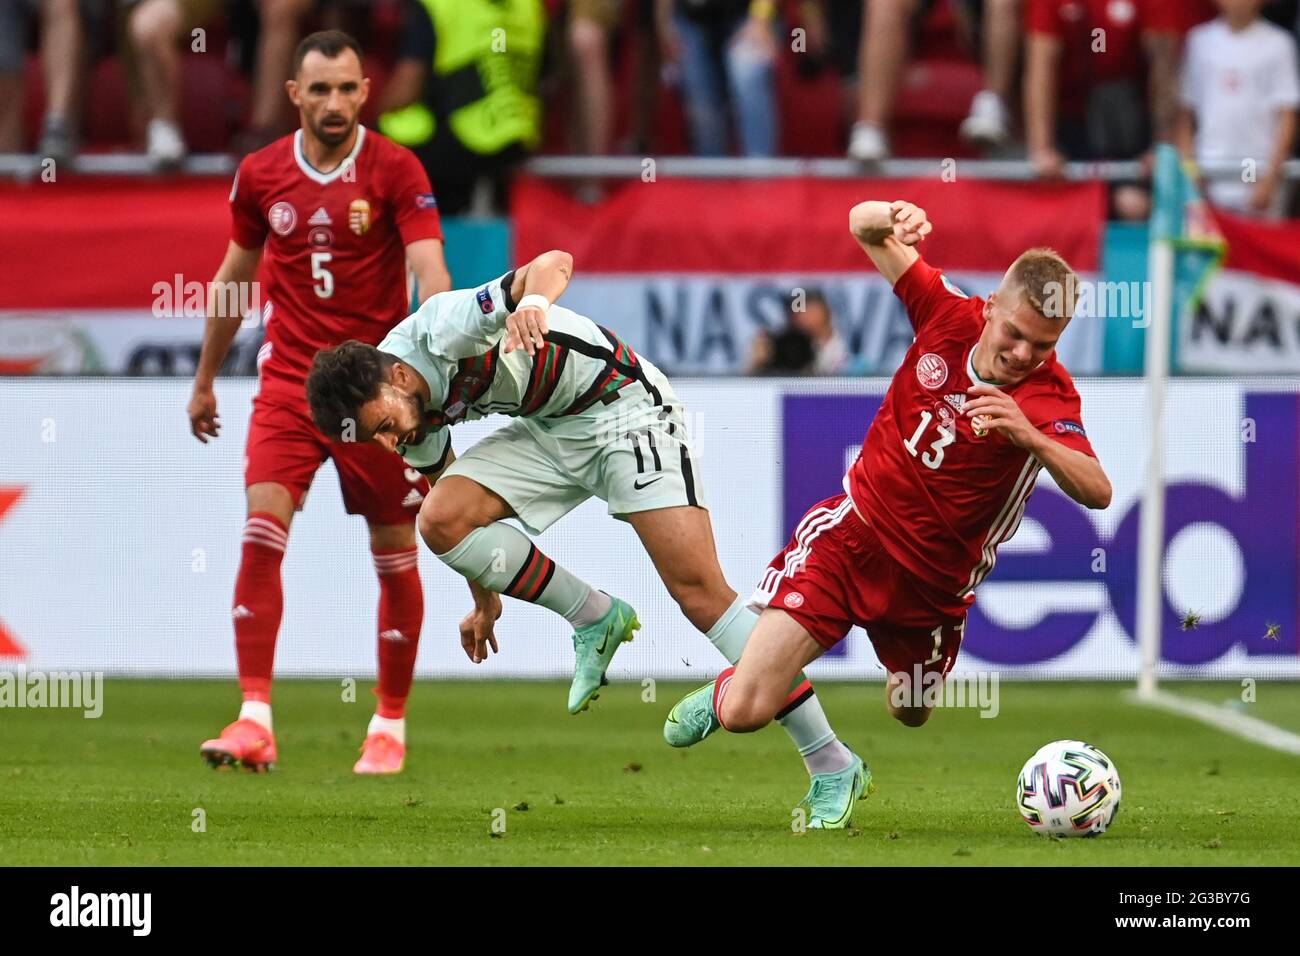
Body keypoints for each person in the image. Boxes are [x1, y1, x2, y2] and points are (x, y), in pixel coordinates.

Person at [305, 251, 865, 827]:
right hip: (548, 430)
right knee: (438, 519)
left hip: (624, 410)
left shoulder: (443, 326)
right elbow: (453, 501)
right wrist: (484, 597)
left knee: (700, 594)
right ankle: (594, 616)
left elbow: (554, 262)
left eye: (384, 426)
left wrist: (535, 302)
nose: (390, 443)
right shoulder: (413, 422)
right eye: (375, 437)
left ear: (398, 376)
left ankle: (831, 760)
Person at [663, 200, 1112, 822]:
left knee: (910, 711)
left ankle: (790, 703)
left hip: (935, 589)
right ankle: (772, 723)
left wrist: (1033, 439)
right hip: (854, 539)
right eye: (1014, 334)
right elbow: (860, 225)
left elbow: (1098, 490)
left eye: (1042, 345)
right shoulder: (947, 312)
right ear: (992, 309)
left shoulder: (1049, 394)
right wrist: (891, 214)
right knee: (745, 712)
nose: (1021, 354)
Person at [188, 31, 452, 775]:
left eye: (346, 89)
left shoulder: (396, 169)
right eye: (320, 90)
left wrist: (429, 362)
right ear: (293, 95)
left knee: (396, 556)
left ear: (366, 92)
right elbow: (234, 277)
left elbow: (428, 268)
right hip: (288, 385)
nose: (334, 103)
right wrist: (206, 378)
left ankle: (389, 726)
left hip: (373, 397)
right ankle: (253, 719)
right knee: (261, 531)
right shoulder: (261, 174)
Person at [377, 0, 546, 216]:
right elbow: (549, 73)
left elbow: (405, 89)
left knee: (383, 136)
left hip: (466, 136)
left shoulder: (439, 5)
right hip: (520, 134)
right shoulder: (529, 5)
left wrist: (371, 118)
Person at [1176, 0, 1300, 218]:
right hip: (1210, 168)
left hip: (1254, 167)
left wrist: (1270, 178)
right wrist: (1190, 174)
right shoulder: (1199, 42)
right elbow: (1186, 114)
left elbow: (1287, 114)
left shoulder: (1277, 44)